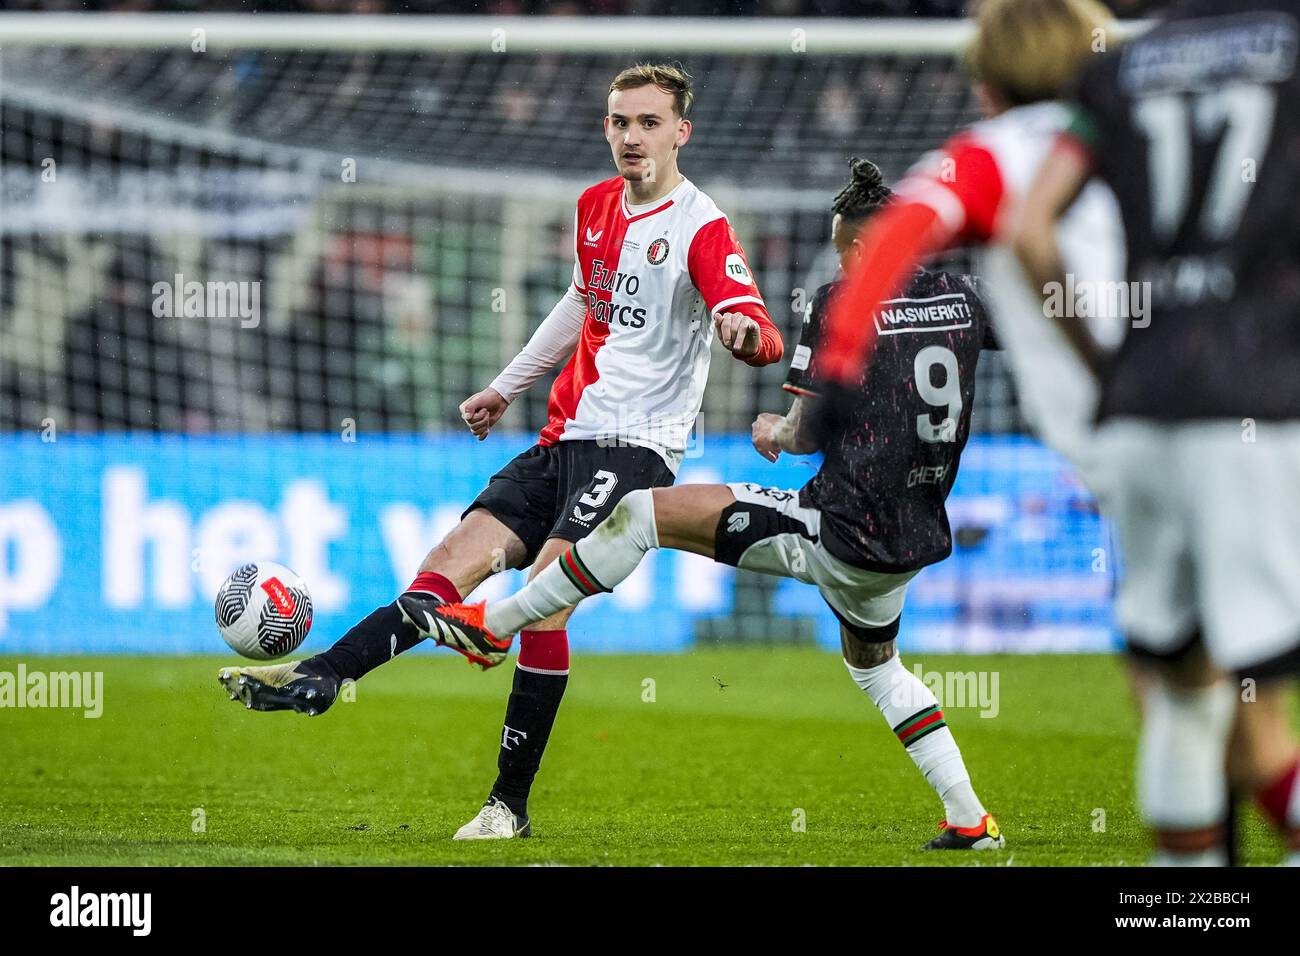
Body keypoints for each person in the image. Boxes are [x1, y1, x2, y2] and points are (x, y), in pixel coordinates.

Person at [217, 61, 784, 801]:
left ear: (683, 132)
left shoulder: (702, 227)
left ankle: (506, 804)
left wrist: (744, 335)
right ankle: (323, 676)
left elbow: (763, 330)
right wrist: (504, 386)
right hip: (562, 439)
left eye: (649, 123)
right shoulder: (594, 207)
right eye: (620, 122)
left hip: (636, 447)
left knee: (547, 595)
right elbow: (579, 304)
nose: (633, 137)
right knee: (442, 569)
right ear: (605, 128)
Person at [437, 158, 1005, 850]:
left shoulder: (840, 305)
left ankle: (497, 620)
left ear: (859, 249)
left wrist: (775, 431)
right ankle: (970, 819)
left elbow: (805, 432)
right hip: (909, 543)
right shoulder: (966, 300)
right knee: (877, 669)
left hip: (833, 530)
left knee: (644, 512)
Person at [1014, 0, 1300, 865]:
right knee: (1261, 690)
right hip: (1257, 403)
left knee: (1182, 694)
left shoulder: (1118, 67)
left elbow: (1033, 231)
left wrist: (1106, 365)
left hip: (1140, 404)